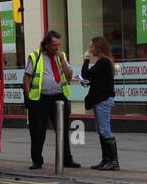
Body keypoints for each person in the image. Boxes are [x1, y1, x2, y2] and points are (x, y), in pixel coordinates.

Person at [22, 30, 80, 169]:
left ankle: (67, 159)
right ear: (46, 44)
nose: (57, 48)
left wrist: (62, 60)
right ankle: (37, 160)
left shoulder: (62, 56)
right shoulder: (35, 56)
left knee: (63, 130)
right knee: (38, 131)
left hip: (59, 97)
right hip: (40, 98)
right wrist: (29, 96)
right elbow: (27, 77)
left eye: (58, 45)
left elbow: (69, 76)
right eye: (54, 45)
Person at [80, 36, 119, 170]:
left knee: (105, 130)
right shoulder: (104, 62)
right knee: (101, 131)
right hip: (100, 99)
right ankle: (105, 159)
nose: (89, 49)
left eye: (91, 47)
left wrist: (86, 59)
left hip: (103, 100)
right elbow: (97, 79)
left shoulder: (103, 62)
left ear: (98, 47)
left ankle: (113, 162)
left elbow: (86, 73)